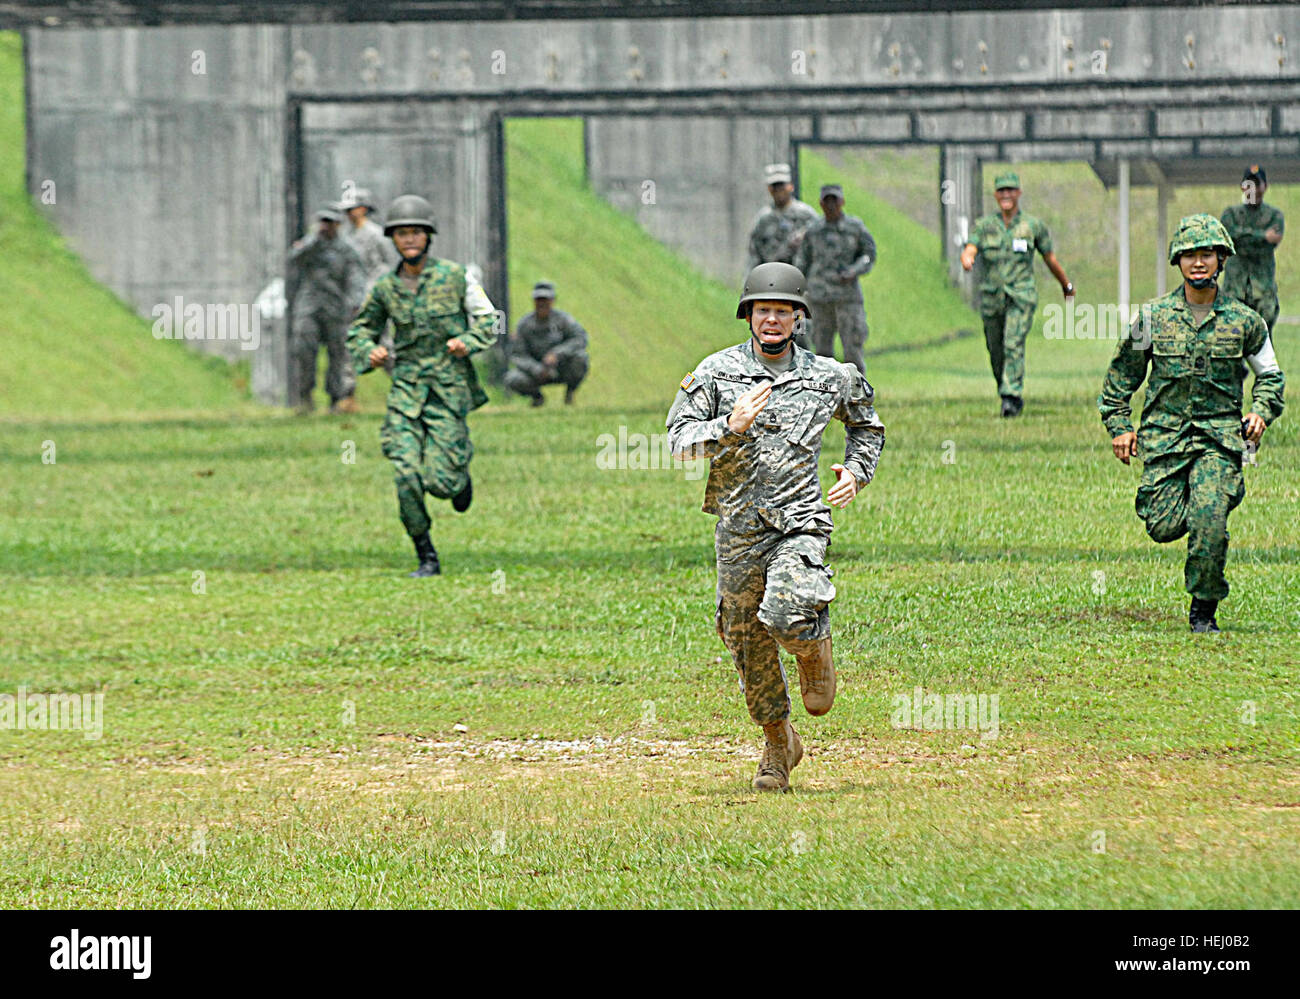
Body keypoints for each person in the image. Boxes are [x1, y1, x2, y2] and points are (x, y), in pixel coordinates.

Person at [666, 262, 885, 792]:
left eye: (783, 311)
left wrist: (855, 472)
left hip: (800, 522)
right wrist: (728, 425)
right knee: (746, 642)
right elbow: (679, 441)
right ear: (748, 315)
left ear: (798, 318)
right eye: (763, 310)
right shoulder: (716, 374)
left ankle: (813, 651)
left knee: (786, 612)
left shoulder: (828, 376)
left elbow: (867, 425)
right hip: (739, 530)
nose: (772, 320)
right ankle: (778, 744)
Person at [1098, 214, 1285, 633]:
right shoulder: (1153, 319)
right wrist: (1120, 428)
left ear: (1221, 260)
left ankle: (1204, 609)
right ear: (1177, 261)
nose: (1198, 263)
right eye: (1189, 255)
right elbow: (1119, 381)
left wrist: (1261, 411)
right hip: (1163, 442)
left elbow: (1270, 375)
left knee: (1209, 515)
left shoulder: (1244, 322)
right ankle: (1202, 510)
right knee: (1161, 524)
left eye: (1206, 254)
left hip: (1219, 440)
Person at [347, 194, 497, 577]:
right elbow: (360, 330)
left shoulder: (456, 276)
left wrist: (468, 341)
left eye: (416, 233)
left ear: (428, 236)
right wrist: (370, 352)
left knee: (441, 483)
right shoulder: (384, 288)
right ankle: (426, 554)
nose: (409, 240)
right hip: (406, 392)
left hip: (448, 390)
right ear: (393, 240)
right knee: (406, 474)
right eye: (401, 234)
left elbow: (488, 319)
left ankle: (459, 477)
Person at [961, 171, 1074, 417]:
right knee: (996, 348)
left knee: (1013, 342)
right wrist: (967, 258)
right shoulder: (985, 226)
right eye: (1001, 191)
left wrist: (1066, 285)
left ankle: (1011, 397)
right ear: (995, 195)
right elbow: (971, 247)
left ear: (1019, 193)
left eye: (1011, 190)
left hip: (1021, 297)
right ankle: (1006, 388)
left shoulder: (1032, 227)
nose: (1006, 195)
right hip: (992, 298)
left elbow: (1050, 259)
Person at [287, 204, 367, 414]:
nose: (326, 226)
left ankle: (335, 399)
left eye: (330, 223)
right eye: (323, 222)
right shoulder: (310, 244)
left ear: (338, 224)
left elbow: (356, 277)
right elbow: (294, 258)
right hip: (309, 306)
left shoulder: (347, 249)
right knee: (304, 351)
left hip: (336, 308)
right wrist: (314, 239)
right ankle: (305, 397)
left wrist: (354, 302)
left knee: (337, 356)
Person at [793, 184, 876, 375]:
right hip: (819, 300)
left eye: (835, 201)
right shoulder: (813, 231)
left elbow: (869, 254)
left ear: (842, 202)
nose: (831, 206)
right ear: (821, 204)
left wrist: (854, 271)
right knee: (822, 353)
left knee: (853, 350)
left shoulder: (854, 228)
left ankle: (856, 396)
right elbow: (802, 261)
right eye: (827, 201)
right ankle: (826, 394)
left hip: (847, 299)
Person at [341, 187, 402, 377]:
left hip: (374, 297)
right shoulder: (347, 236)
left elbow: (390, 265)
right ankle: (346, 394)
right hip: (352, 298)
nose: (349, 213)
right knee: (348, 343)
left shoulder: (376, 234)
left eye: (353, 208)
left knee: (383, 344)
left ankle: (404, 384)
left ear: (363, 209)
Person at [502, 280, 590, 406]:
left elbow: (580, 338)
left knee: (581, 359)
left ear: (553, 301)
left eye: (546, 300)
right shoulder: (524, 325)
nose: (542, 304)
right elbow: (517, 355)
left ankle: (570, 393)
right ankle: (537, 397)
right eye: (539, 300)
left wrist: (557, 354)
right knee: (512, 379)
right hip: (536, 371)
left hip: (561, 367)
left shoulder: (563, 320)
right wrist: (536, 369)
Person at [1221, 164, 1285, 334]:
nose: (1253, 189)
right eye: (1249, 184)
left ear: (1265, 187)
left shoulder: (1274, 215)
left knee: (1262, 345)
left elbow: (1272, 241)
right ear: (1243, 187)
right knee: (1231, 345)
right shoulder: (1231, 214)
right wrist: (1262, 236)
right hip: (1235, 290)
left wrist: (1244, 238)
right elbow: (1229, 236)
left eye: (1257, 184)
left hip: (1262, 291)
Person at [746, 163, 818, 270]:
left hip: (799, 277)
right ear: (769, 189)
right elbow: (754, 253)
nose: (779, 191)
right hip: (772, 278)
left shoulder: (806, 214)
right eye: (775, 187)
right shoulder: (764, 218)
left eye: (782, 186)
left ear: (791, 187)